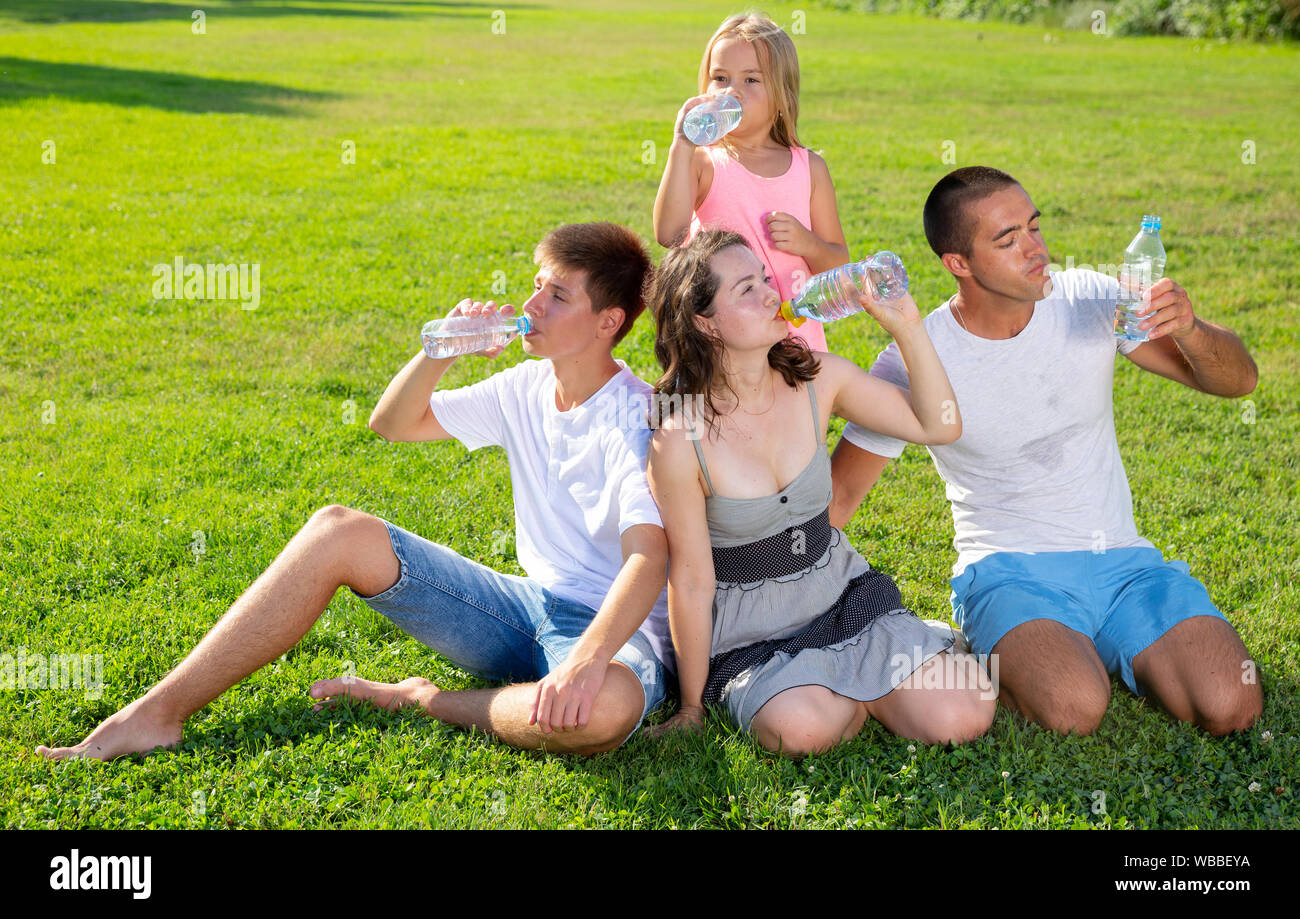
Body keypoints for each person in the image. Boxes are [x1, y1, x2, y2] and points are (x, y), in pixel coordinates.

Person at [38, 222, 672, 761]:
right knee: (337, 531)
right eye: (536, 284)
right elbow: (392, 424)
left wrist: (588, 661)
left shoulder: (634, 418)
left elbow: (650, 556)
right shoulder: (525, 387)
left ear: (607, 322)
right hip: (524, 609)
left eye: (557, 295)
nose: (531, 304)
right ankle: (156, 713)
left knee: (603, 711)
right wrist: (439, 352)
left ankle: (423, 699)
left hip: (612, 634)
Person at [829, 167, 1262, 737]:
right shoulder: (917, 357)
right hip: (1009, 571)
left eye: (1034, 227)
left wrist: (1191, 328)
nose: (1036, 250)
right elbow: (840, 494)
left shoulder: (1091, 297)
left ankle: (1093, 641)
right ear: (958, 263)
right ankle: (979, 643)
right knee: (1074, 707)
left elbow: (1237, 382)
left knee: (1231, 702)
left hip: (1125, 564)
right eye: (1008, 240)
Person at [645, 229, 995, 756]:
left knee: (963, 714)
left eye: (766, 278)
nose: (772, 292)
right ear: (704, 322)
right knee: (800, 732)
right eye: (746, 289)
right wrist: (692, 708)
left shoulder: (817, 379)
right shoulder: (679, 442)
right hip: (755, 636)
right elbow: (692, 580)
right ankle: (857, 688)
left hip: (840, 594)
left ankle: (867, 679)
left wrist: (906, 325)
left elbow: (940, 425)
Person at [653, 11, 849, 353]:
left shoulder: (810, 168)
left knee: (799, 406)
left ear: (783, 97)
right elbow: (669, 235)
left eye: (751, 80)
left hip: (793, 336)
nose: (733, 91)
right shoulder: (702, 162)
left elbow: (838, 264)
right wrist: (681, 145)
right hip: (722, 341)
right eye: (720, 78)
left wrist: (808, 244)